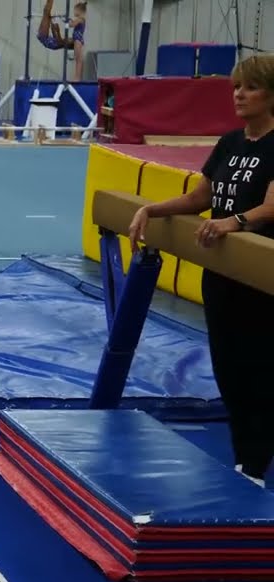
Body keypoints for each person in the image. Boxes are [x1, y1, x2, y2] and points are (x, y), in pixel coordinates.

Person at [128, 54, 274, 482]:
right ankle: (246, 458)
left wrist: (234, 222)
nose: (239, 95)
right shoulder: (230, 143)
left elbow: (271, 205)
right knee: (228, 370)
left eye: (250, 87)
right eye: (236, 87)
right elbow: (199, 198)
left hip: (261, 277)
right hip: (223, 274)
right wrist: (151, 209)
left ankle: (254, 463)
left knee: (259, 370)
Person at [36, 0, 86, 79]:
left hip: (45, 38)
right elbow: (57, 39)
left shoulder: (70, 41)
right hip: (47, 39)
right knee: (47, 13)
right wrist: (54, 26)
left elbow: (59, 41)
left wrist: (58, 30)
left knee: (46, 11)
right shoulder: (71, 40)